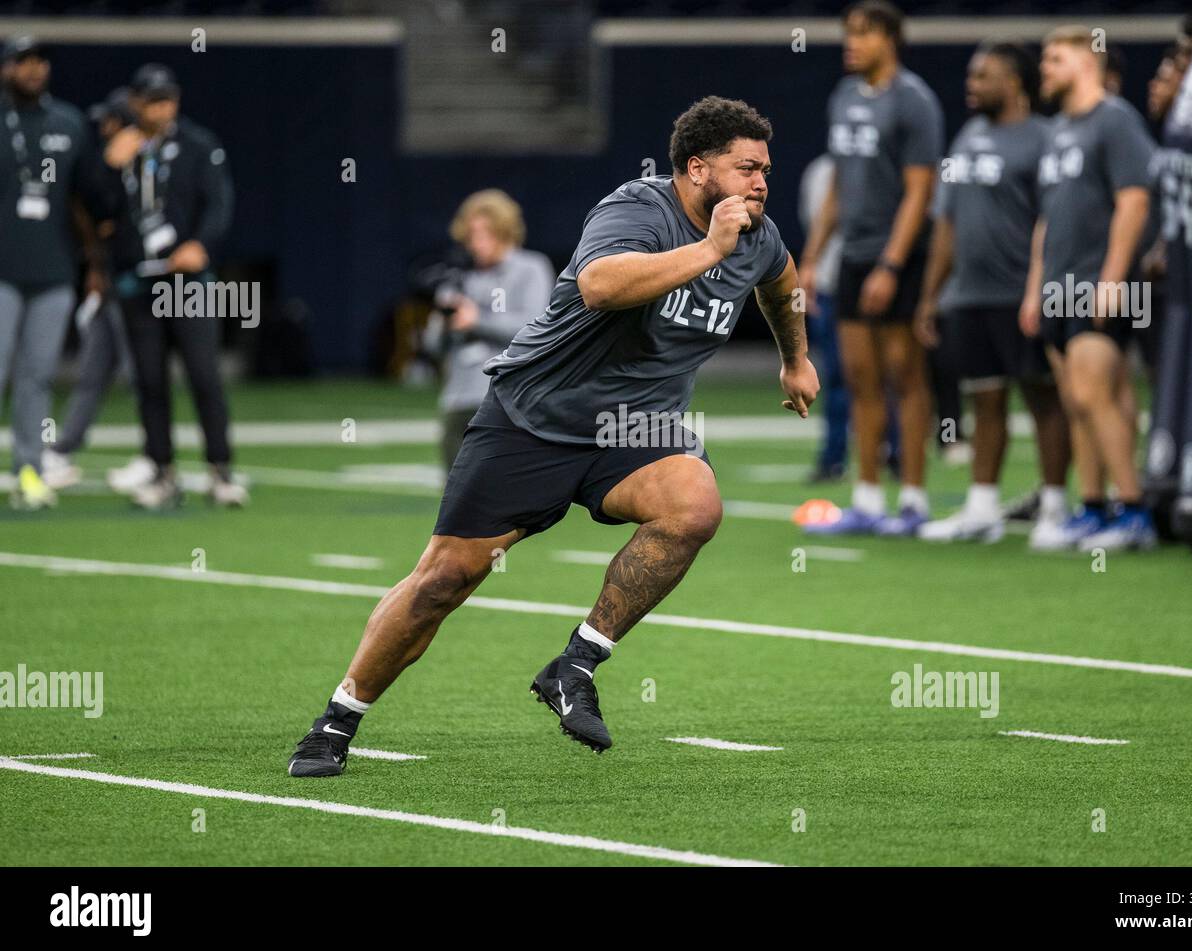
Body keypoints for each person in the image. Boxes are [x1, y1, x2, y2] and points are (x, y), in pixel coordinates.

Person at [286, 96, 819, 775]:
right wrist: (707, 248)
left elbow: (782, 283)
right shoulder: (637, 208)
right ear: (695, 169)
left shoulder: (759, 237)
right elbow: (600, 285)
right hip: (537, 414)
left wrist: (794, 357)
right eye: (746, 168)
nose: (761, 183)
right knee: (445, 579)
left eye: (765, 169)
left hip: (634, 425)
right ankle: (337, 719)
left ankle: (576, 664)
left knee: (695, 507)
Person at [914, 42, 1070, 544]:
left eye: (985, 75)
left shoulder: (1046, 138)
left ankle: (1055, 506)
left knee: (1044, 397)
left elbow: (1057, 219)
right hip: (969, 295)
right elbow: (947, 222)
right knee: (985, 398)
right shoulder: (967, 137)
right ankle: (981, 508)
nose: (973, 83)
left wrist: (1041, 288)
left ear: (1016, 82)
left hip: (1020, 294)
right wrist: (931, 295)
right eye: (972, 73)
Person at [800, 0, 943, 536]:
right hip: (854, 257)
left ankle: (912, 499)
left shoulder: (914, 102)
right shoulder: (843, 96)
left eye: (862, 34)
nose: (850, 44)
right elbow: (837, 184)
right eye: (847, 34)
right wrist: (813, 255)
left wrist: (892, 263)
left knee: (904, 376)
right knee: (858, 376)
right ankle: (865, 499)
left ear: (889, 38)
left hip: (897, 258)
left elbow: (919, 191)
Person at [1022, 26, 1157, 552]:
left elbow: (1135, 200)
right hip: (1058, 286)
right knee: (1076, 400)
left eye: (1055, 59)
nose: (1045, 69)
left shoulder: (1115, 120)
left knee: (1095, 393)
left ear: (1086, 61)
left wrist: (1113, 279)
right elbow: (1046, 219)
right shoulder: (1058, 130)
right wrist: (1035, 289)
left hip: (1098, 283)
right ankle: (1093, 506)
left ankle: (1135, 509)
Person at [99, 63, 242, 509]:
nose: (162, 108)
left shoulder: (199, 145)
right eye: (153, 100)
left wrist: (200, 244)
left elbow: (218, 203)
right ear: (136, 103)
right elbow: (97, 211)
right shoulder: (121, 149)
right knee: (149, 381)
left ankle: (221, 471)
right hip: (137, 282)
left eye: (169, 99)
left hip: (189, 281)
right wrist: (109, 167)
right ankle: (162, 472)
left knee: (204, 376)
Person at [0, 36, 101, 510]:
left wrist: (95, 263)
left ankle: (29, 468)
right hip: (2, 270)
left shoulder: (69, 123)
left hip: (53, 272)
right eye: (23, 61)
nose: (34, 69)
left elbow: (86, 202)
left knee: (37, 375)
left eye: (40, 61)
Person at [42, 87, 136, 490]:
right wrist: (96, 267)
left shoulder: (145, 163)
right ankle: (64, 448)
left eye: (109, 121)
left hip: (141, 286)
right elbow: (92, 215)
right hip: (112, 279)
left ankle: (155, 455)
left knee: (141, 373)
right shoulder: (103, 166)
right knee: (94, 370)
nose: (103, 128)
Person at [432, 189, 552, 471]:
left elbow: (534, 328)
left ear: (505, 231)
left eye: (485, 233)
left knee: (509, 492)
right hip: (459, 397)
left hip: (510, 398)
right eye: (472, 234)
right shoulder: (458, 276)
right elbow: (431, 346)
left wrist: (477, 321)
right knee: (456, 496)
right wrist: (444, 318)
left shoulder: (531, 269)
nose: (477, 243)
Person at [797, 153, 850, 482]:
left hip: (870, 279)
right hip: (831, 282)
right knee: (836, 377)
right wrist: (812, 265)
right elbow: (817, 219)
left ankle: (896, 456)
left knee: (887, 377)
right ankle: (834, 457)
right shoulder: (820, 172)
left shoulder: (886, 165)